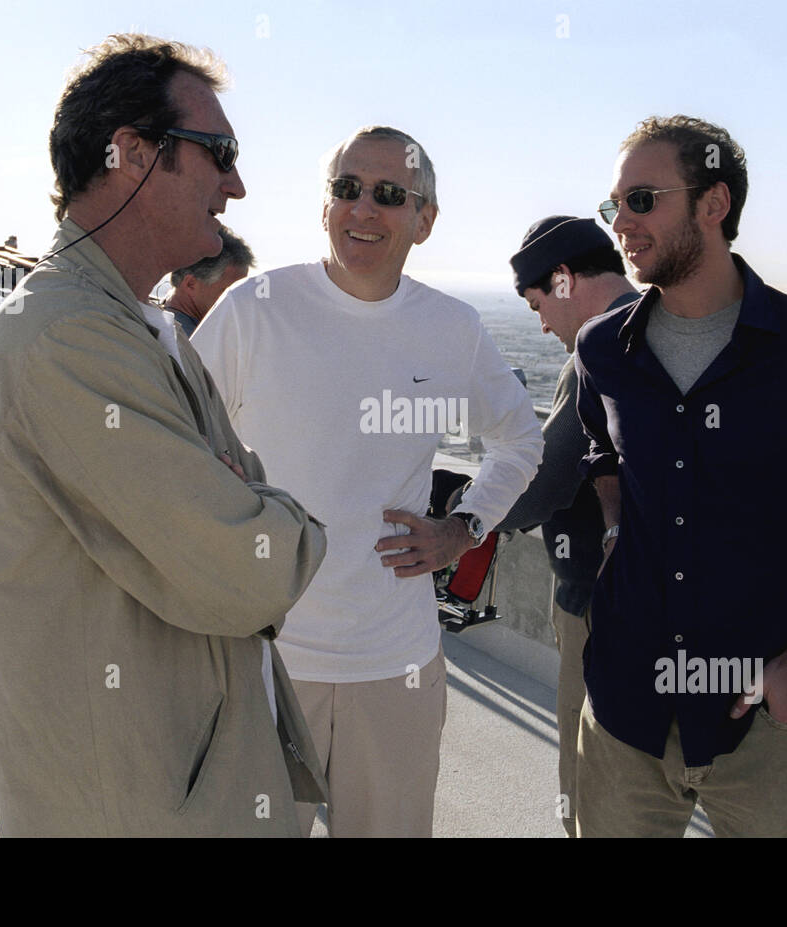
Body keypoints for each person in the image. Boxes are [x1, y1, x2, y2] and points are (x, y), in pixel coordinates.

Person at [0, 34, 328, 837]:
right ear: (130, 153)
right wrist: (279, 520)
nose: (236, 183)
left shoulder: (135, 327)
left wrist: (239, 500)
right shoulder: (68, 340)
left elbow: (232, 516)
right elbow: (249, 566)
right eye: (217, 152)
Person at [193, 125, 543, 837]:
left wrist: (465, 526)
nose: (363, 210)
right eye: (346, 189)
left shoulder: (452, 329)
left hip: (395, 665)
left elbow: (521, 438)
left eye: (389, 195)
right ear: (324, 206)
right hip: (262, 657)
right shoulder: (254, 309)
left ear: (425, 220)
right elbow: (175, 434)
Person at [573, 115, 787, 837]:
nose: (620, 226)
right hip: (622, 708)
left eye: (642, 201)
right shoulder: (602, 347)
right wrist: (612, 525)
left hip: (758, 719)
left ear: (713, 204)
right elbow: (601, 448)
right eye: (613, 207)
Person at [495, 215, 636, 837]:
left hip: (599, 604)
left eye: (537, 306)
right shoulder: (670, 324)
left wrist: (467, 520)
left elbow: (543, 480)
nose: (545, 324)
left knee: (592, 786)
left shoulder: (599, 347)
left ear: (563, 280)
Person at [164, 225, 255, 337]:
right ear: (190, 284)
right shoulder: (191, 341)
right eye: (228, 292)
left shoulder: (160, 322)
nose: (238, 301)